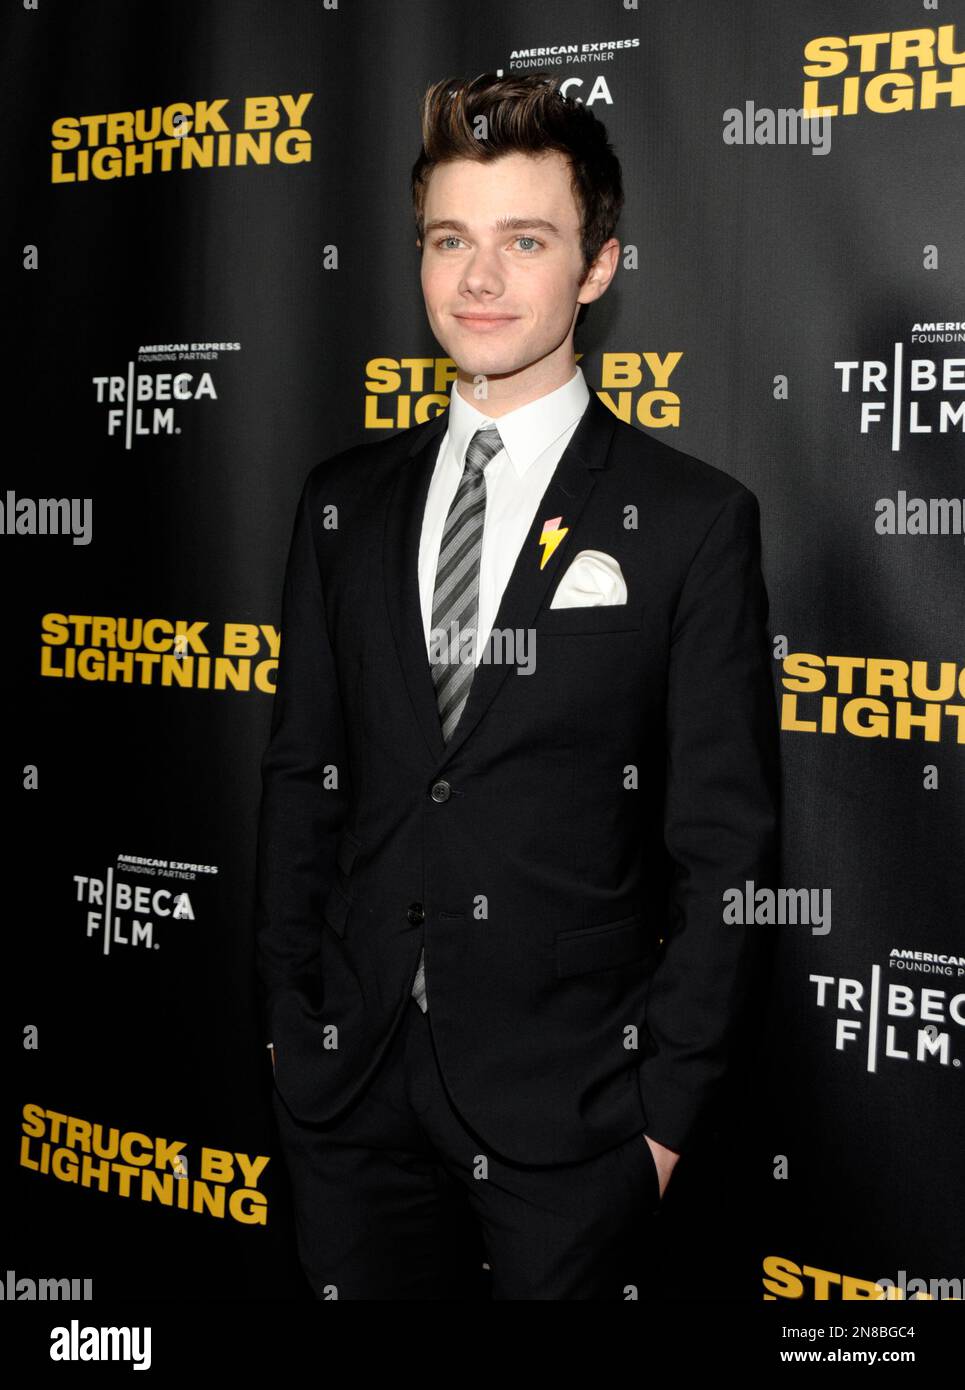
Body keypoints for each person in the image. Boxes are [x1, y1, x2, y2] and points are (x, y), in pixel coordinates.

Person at [254, 71, 780, 1300]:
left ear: (596, 267)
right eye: (450, 240)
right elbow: (300, 778)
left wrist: (660, 1121)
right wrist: (286, 1021)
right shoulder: (341, 503)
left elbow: (727, 847)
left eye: (524, 241)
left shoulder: (691, 521)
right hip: (348, 1091)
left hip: (575, 1113)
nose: (478, 279)